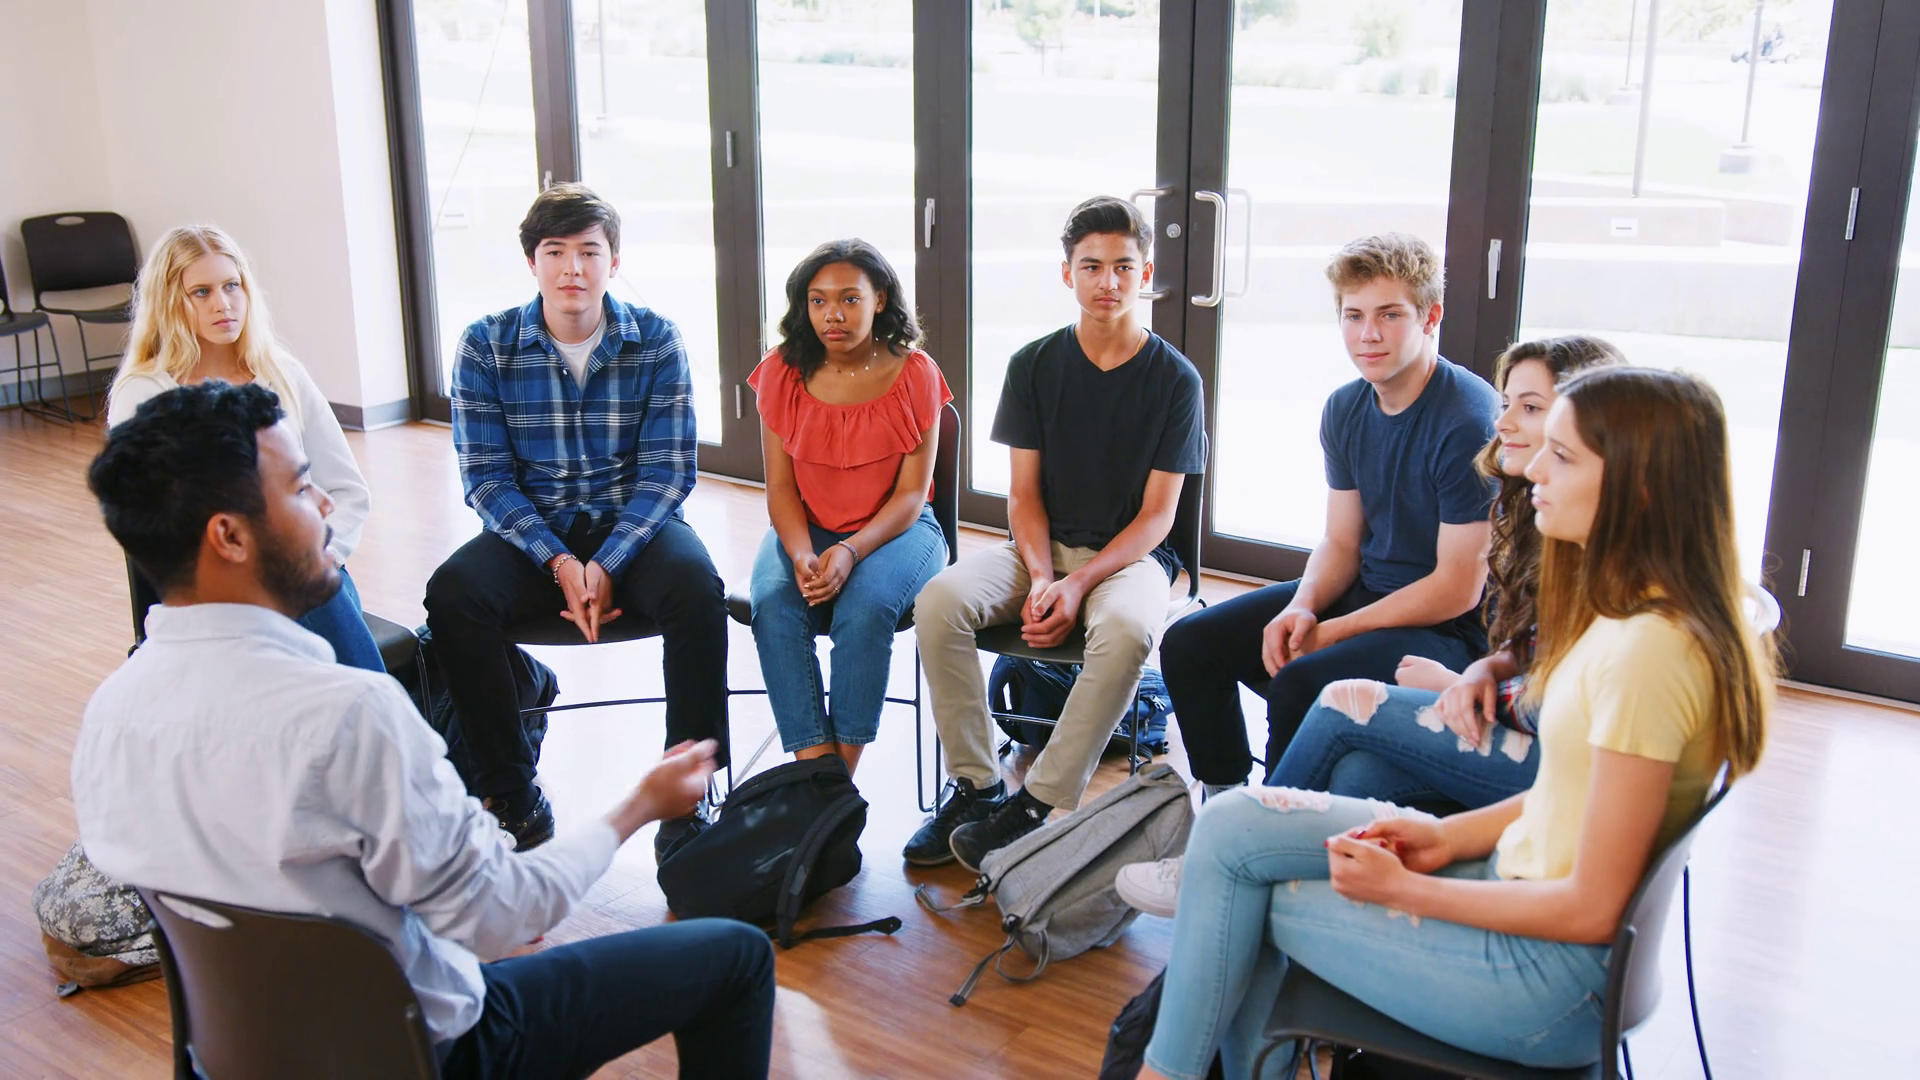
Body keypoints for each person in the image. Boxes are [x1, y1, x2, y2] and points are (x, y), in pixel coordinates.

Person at [75, 382, 776, 1080]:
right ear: (227, 535)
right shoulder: (348, 714)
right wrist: (642, 805)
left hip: (240, 1058)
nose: (326, 506)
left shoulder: (111, 712)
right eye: (299, 489)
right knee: (736, 957)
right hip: (422, 1054)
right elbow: (507, 918)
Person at [1136, 366, 1776, 1078]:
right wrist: (1443, 835)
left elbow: (1594, 910)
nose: (1533, 467)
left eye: (1562, 456)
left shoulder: (1651, 652)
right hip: (1524, 893)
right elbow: (1571, 795)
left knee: (1238, 887)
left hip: (1548, 978)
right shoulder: (1635, 615)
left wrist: (1408, 889)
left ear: (1642, 486)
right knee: (1236, 825)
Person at [1116, 335, 1624, 917]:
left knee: (1332, 697)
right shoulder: (1539, 510)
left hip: (1517, 721)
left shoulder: (1587, 542)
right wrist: (1491, 667)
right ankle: (1259, 862)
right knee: (1213, 657)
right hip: (1496, 690)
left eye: (1530, 409)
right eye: (1510, 402)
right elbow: (1531, 644)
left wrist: (1455, 683)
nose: (1502, 419)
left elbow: (1567, 709)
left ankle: (1228, 858)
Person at [424, 184, 729, 853]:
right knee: (453, 594)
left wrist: (608, 561)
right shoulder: (486, 345)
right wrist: (560, 562)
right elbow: (486, 481)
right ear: (532, 262)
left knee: (697, 590)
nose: (572, 269)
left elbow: (668, 473)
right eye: (555, 252)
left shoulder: (656, 340)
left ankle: (689, 794)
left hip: (633, 524)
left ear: (612, 262)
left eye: (589, 252)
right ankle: (510, 793)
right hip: (533, 529)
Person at [905, 196, 1207, 871]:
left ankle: (1033, 806)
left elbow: (1159, 517)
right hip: (1039, 550)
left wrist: (1079, 583)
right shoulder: (1034, 365)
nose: (1108, 282)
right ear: (1066, 274)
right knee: (939, 603)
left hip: (1132, 560)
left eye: (1123, 267)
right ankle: (979, 787)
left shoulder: (1176, 381)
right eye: (1091, 266)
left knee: (1127, 630)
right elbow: (1025, 496)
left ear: (1147, 272)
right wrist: (1043, 578)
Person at [1160, 233, 1498, 798]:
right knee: (1191, 644)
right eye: (1354, 315)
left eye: (1390, 315)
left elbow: (1459, 588)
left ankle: (1278, 829)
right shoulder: (1345, 406)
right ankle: (1224, 805)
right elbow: (1341, 542)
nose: (1368, 334)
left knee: (1297, 682)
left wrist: (1333, 630)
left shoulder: (1467, 419)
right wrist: (1301, 607)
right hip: (1369, 590)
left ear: (1430, 316)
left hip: (1447, 631)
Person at [107, 224, 382, 672]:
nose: (223, 303)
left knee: (307, 589)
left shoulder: (281, 371)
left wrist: (321, 551)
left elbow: (348, 490)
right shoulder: (143, 393)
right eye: (201, 291)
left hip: (303, 564)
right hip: (210, 585)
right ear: (168, 302)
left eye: (231, 285)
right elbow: (156, 518)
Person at [747, 239, 951, 775]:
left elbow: (911, 495)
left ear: (879, 300)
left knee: (866, 608)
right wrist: (798, 553)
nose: (832, 315)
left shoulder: (916, 373)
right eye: (817, 301)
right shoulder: (781, 372)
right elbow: (781, 491)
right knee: (772, 603)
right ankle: (818, 778)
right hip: (805, 527)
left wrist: (851, 551)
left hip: (899, 531)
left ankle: (840, 777)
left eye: (849, 299)